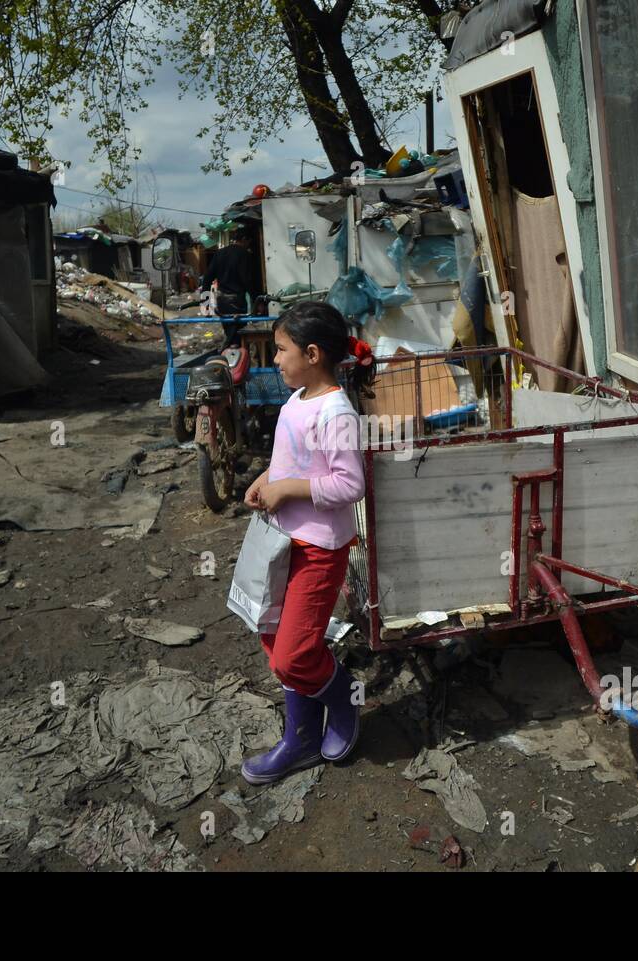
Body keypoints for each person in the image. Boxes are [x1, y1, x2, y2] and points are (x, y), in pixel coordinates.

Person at [240, 301, 376, 784]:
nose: (274, 360)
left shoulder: (336, 411)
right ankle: (299, 741)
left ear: (313, 353)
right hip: (283, 542)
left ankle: (342, 700)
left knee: (294, 656)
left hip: (319, 550)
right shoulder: (297, 400)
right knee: (274, 637)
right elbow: (294, 461)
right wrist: (266, 478)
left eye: (280, 350)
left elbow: (348, 485)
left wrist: (288, 489)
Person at [200, 228, 261, 315]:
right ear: (244, 239)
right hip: (237, 301)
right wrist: (257, 301)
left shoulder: (219, 253)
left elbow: (207, 279)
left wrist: (205, 304)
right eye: (249, 242)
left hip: (221, 301)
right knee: (238, 326)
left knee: (228, 326)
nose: (249, 246)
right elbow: (248, 281)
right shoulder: (245, 255)